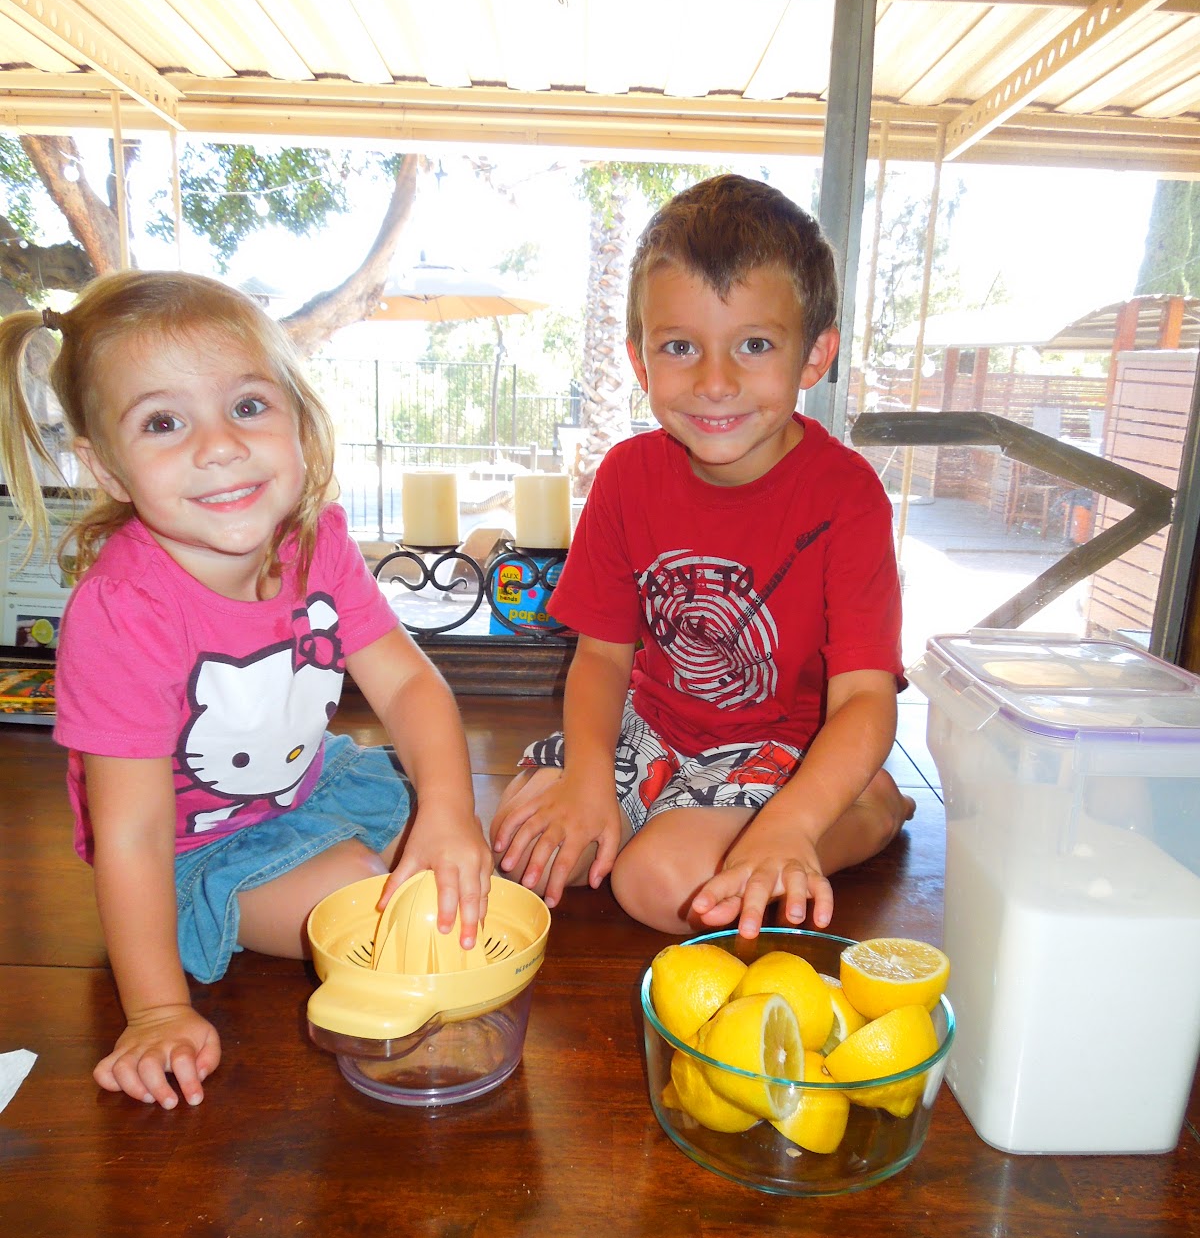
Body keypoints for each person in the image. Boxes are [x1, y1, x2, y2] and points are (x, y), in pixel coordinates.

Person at [0, 271, 491, 1109]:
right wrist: (156, 1010)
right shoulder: (122, 613)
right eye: (163, 422)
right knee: (371, 911)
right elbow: (134, 833)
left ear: (298, 417)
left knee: (461, 835)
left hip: (307, 779)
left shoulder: (317, 542)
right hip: (198, 851)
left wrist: (450, 808)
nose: (219, 445)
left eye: (249, 406)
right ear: (106, 467)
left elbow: (406, 681)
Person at [491, 174, 912, 939]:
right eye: (681, 347)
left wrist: (786, 828)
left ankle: (862, 811)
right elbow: (601, 660)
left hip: (783, 755)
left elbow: (863, 700)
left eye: (754, 345)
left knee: (660, 883)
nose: (715, 383)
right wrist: (588, 784)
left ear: (815, 355)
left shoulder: (847, 497)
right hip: (652, 733)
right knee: (527, 838)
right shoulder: (625, 475)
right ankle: (680, 819)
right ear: (641, 360)